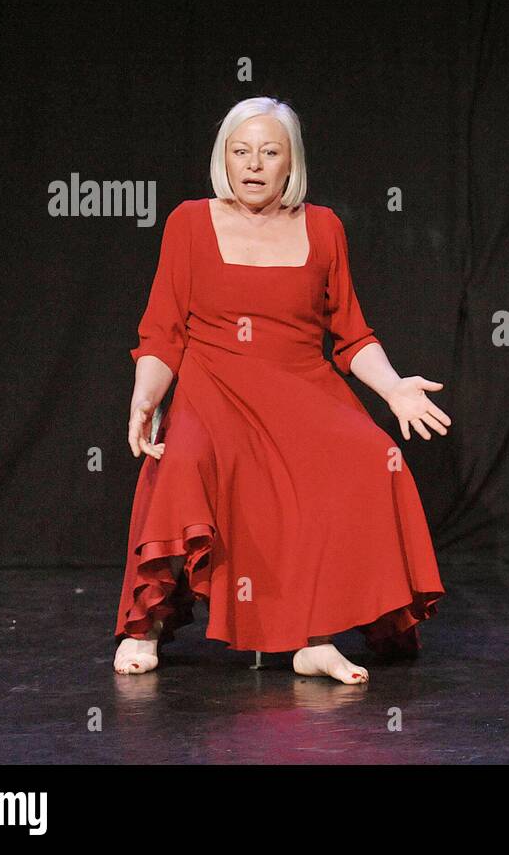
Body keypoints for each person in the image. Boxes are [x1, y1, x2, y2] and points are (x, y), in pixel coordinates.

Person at [113, 96, 448, 682]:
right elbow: (163, 331)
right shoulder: (190, 221)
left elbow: (350, 333)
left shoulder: (323, 227)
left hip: (302, 385)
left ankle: (314, 637)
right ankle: (147, 624)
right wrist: (147, 397)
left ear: (290, 163)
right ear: (224, 158)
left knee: (372, 455)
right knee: (187, 457)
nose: (254, 164)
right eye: (241, 151)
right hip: (213, 387)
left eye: (270, 152)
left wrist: (393, 388)